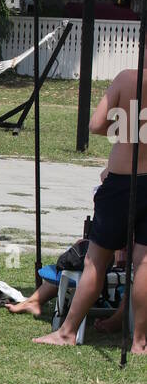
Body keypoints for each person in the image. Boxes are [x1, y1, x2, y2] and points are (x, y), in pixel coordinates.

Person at [34, 64, 147, 350]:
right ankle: (140, 341)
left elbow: (96, 124)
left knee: (96, 259)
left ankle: (67, 332)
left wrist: (128, 125)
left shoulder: (129, 78)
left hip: (123, 179)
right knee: (144, 262)